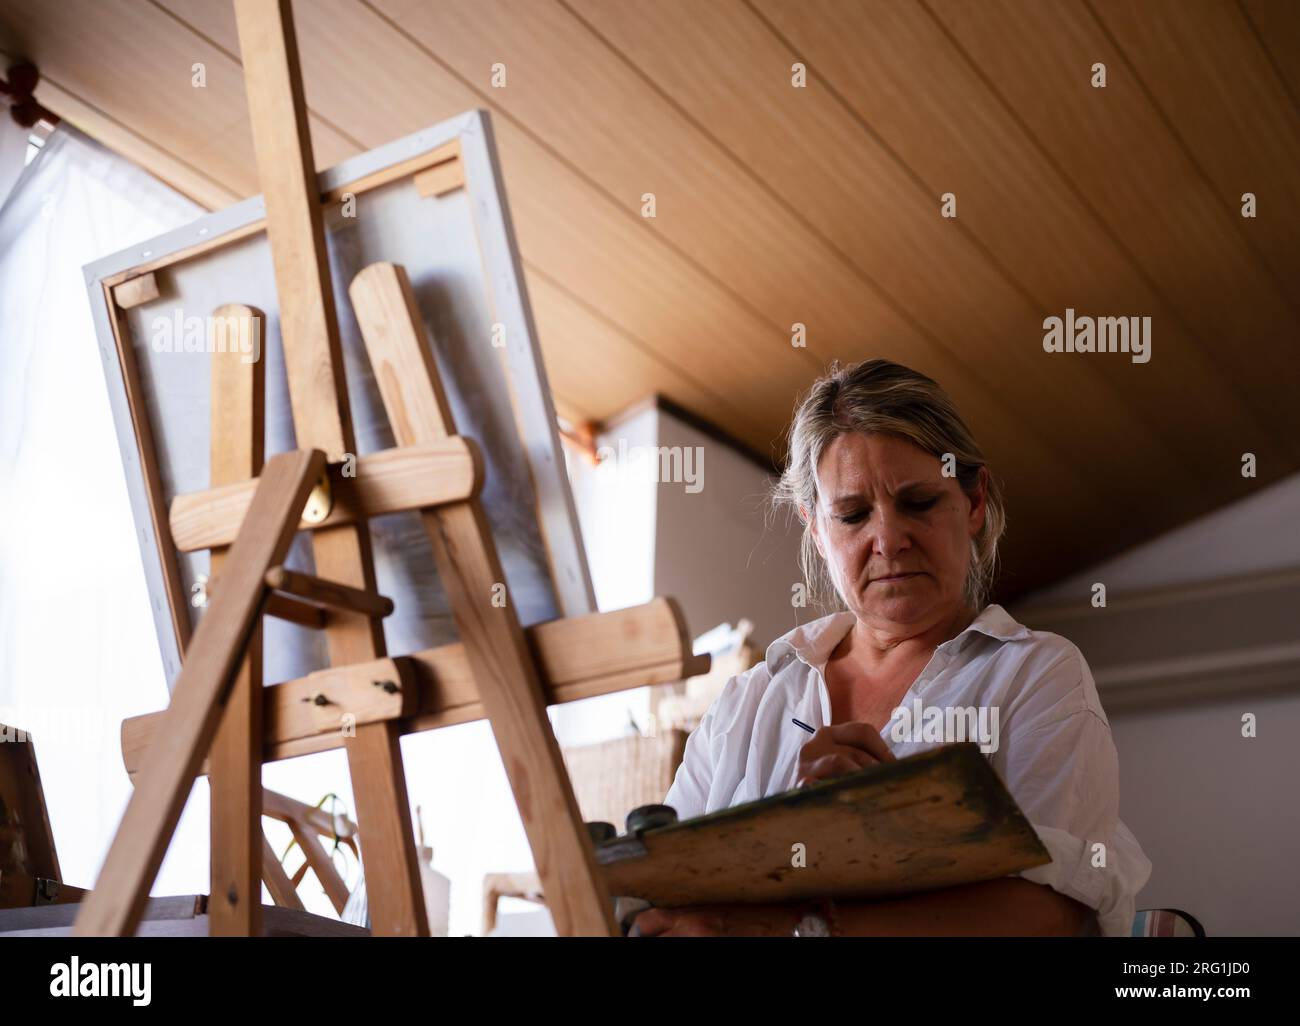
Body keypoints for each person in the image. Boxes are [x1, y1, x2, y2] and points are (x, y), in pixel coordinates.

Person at [633, 359, 1151, 937]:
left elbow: (1050, 915)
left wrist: (806, 915)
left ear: (974, 502)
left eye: (919, 502)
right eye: (852, 515)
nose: (888, 540)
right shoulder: (751, 703)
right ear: (817, 531)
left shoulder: (1035, 676)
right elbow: (662, 900)